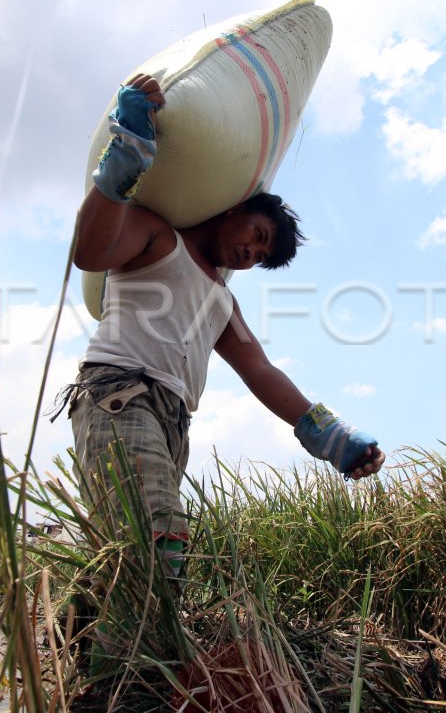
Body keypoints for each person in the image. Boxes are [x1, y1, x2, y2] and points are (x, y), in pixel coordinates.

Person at [65, 74, 386, 593]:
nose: (250, 254)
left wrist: (330, 436)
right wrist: (124, 158)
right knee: (157, 540)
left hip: (172, 419)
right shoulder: (155, 235)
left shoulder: (222, 300)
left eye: (260, 257)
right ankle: (134, 670)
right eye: (256, 237)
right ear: (235, 209)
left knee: (127, 554)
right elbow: (89, 254)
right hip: (118, 393)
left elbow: (259, 369)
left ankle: (71, 652)